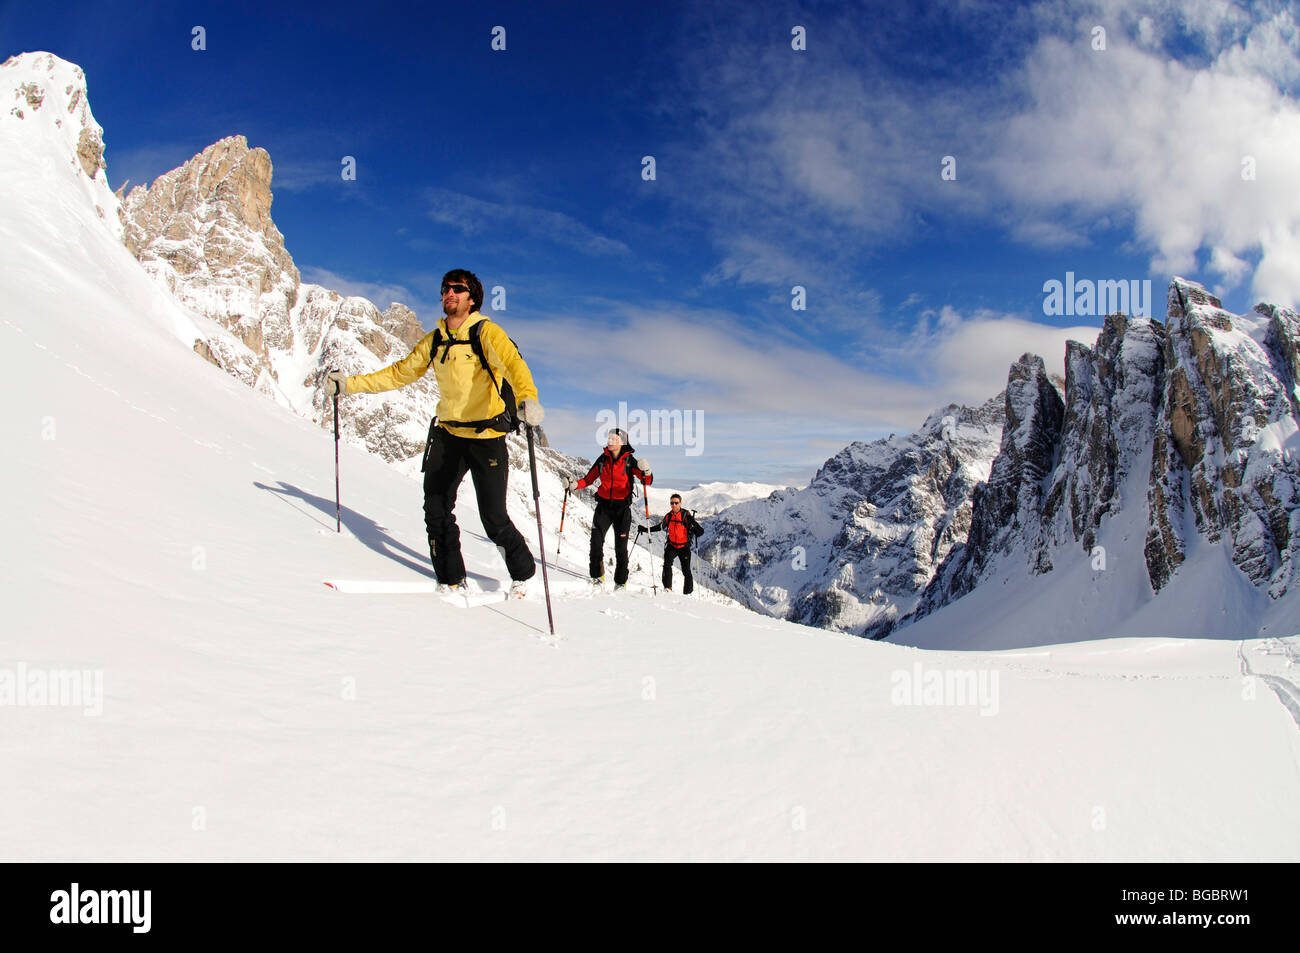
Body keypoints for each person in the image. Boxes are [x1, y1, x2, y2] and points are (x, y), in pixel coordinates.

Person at [325, 269, 544, 596]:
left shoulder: (487, 333)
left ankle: (524, 573)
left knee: (494, 519)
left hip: (486, 438)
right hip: (448, 435)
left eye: (458, 288)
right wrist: (349, 384)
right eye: (445, 288)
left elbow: (514, 365)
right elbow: (400, 373)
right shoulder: (435, 339)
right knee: (436, 508)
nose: (449, 293)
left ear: (473, 299)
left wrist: (529, 399)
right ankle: (451, 581)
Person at [562, 429, 652, 589]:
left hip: (622, 509)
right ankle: (597, 577)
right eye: (609, 438)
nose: (610, 440)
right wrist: (575, 485)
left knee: (621, 547)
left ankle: (620, 582)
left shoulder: (630, 461)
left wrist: (647, 471)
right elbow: (589, 479)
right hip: (603, 507)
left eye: (614, 438)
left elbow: (646, 480)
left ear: (622, 442)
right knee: (596, 542)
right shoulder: (603, 459)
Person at [650, 493, 704, 594]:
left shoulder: (686, 516)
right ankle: (667, 588)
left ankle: (688, 593)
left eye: (676, 503)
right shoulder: (669, 516)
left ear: (680, 503)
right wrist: (646, 529)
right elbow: (660, 527)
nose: (674, 505)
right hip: (672, 545)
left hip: (684, 547)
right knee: (666, 565)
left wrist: (693, 523)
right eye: (672, 503)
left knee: (686, 571)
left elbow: (700, 532)